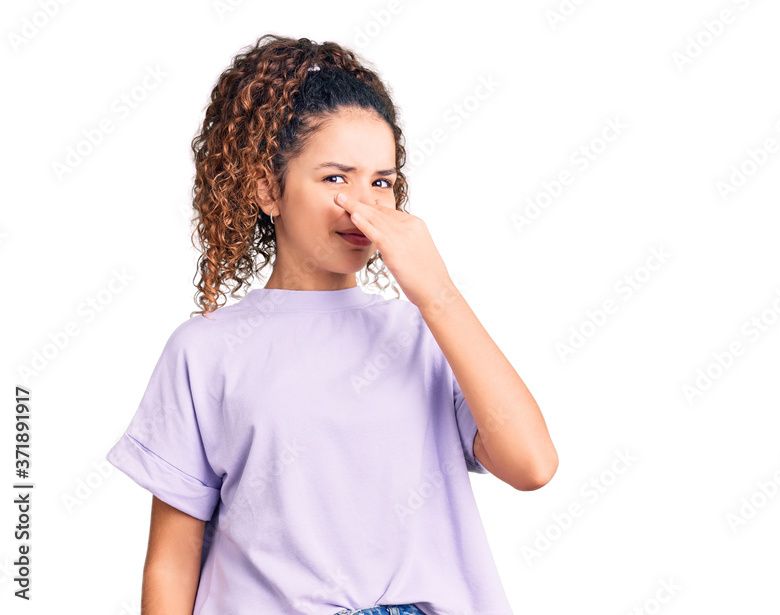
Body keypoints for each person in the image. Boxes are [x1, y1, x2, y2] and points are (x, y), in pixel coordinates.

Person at [105, 33, 558, 615]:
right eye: (336, 178)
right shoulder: (205, 351)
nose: (362, 205)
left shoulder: (425, 334)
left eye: (381, 181)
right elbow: (171, 561)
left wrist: (438, 293)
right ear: (268, 189)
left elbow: (532, 465)